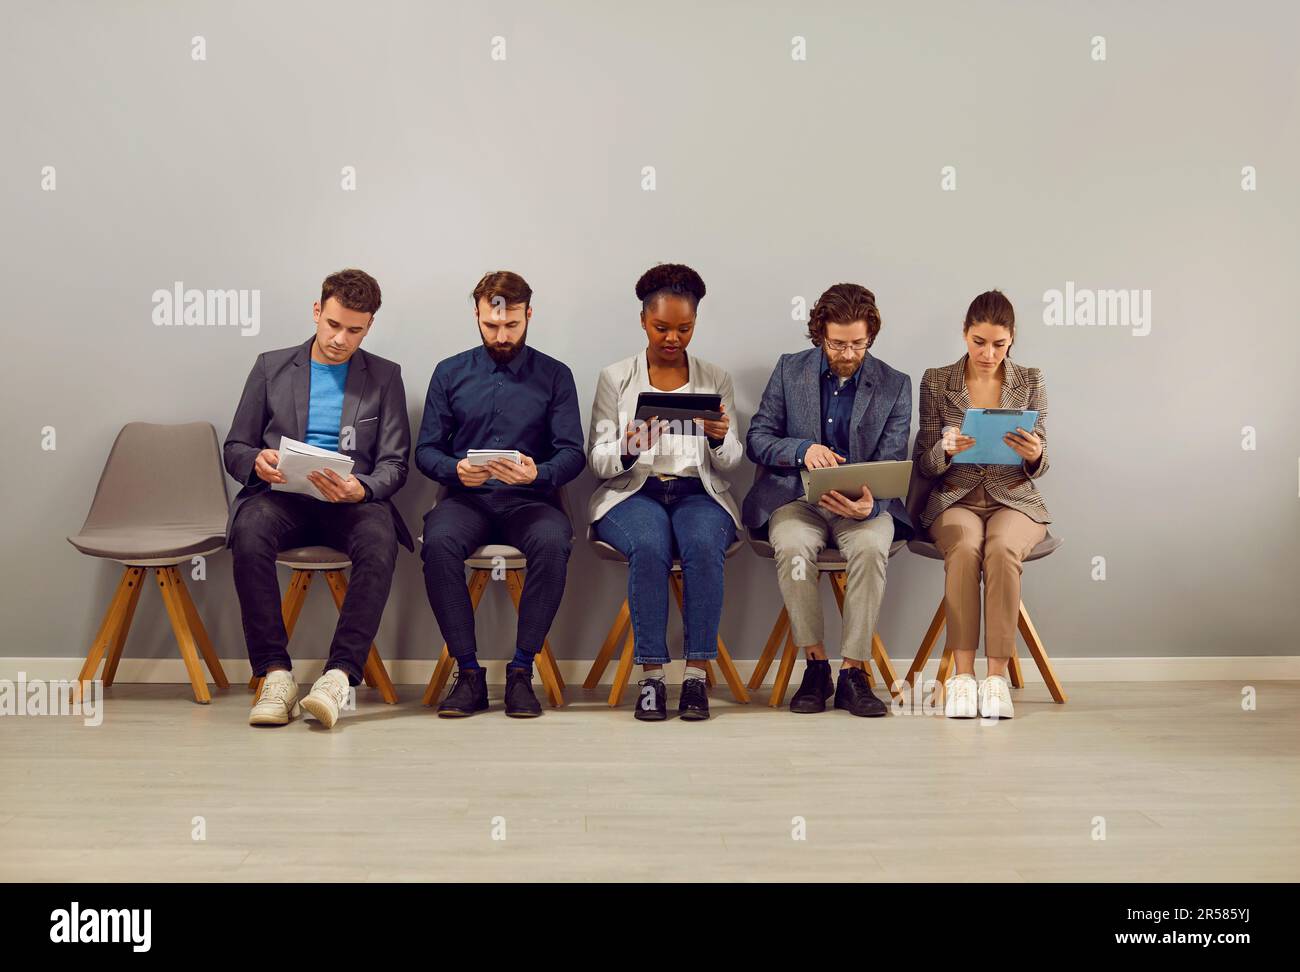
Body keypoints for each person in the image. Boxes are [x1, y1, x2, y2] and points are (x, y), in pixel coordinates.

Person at [224, 268, 412, 729]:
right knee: (249, 531)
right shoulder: (270, 366)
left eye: (354, 330)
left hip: (350, 504)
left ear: (369, 327)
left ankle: (339, 676)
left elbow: (395, 464)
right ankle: (275, 674)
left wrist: (362, 487)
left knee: (379, 539)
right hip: (282, 499)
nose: (339, 339)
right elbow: (235, 447)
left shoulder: (385, 376)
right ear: (317, 311)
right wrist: (257, 462)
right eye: (332, 325)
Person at [416, 271, 584, 718]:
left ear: (528, 315)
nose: (502, 336)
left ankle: (521, 671)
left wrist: (537, 473)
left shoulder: (555, 375)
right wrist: (455, 469)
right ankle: (468, 674)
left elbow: (573, 454)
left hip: (531, 501)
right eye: (491, 326)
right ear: (476, 315)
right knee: (438, 542)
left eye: (512, 325)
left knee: (554, 542)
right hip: (465, 500)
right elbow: (425, 451)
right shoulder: (449, 372)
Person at [743, 283, 913, 717]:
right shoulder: (789, 370)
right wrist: (801, 450)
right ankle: (816, 665)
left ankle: (854, 673)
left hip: (861, 507)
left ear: (870, 335)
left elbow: (893, 460)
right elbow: (757, 439)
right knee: (794, 546)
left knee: (874, 547)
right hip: (796, 498)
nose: (849, 353)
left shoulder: (895, 385)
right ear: (819, 333)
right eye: (838, 343)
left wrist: (870, 507)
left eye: (858, 343)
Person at [587, 264, 742, 722]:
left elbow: (731, 460)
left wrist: (717, 437)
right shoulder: (616, 378)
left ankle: (695, 677)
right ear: (642, 321)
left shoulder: (715, 378)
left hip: (698, 492)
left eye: (684, 328)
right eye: (661, 327)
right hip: (635, 494)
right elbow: (596, 459)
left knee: (701, 544)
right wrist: (630, 447)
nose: (672, 338)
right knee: (650, 547)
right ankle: (651, 678)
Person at [913, 289, 1050, 720]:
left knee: (1002, 549)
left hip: (1014, 498)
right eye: (978, 342)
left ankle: (996, 680)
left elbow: (1043, 459)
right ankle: (962, 676)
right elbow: (923, 462)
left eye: (999, 344)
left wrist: (1034, 453)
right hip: (956, 498)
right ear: (964, 334)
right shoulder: (936, 380)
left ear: (1011, 340)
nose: (988, 353)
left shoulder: (1030, 380)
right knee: (967, 547)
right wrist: (946, 449)